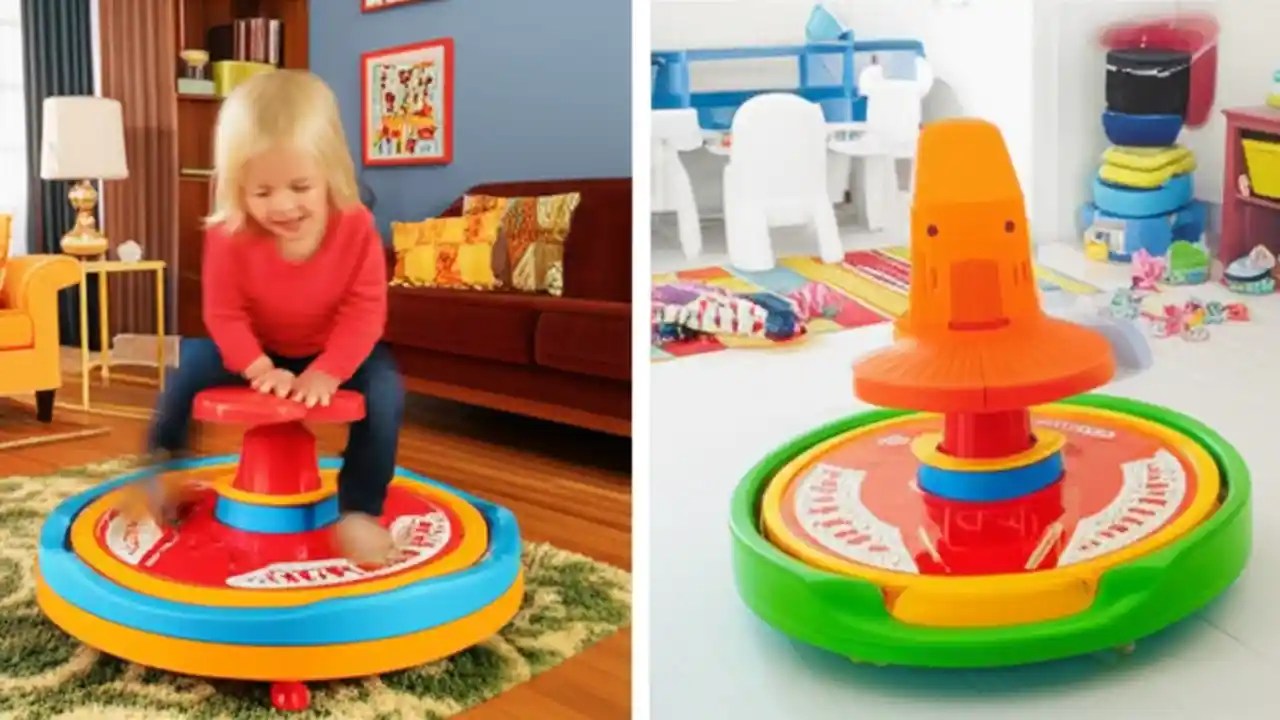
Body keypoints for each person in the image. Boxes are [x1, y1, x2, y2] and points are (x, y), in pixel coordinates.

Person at [147, 70, 405, 566]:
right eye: (261, 192)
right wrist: (257, 366)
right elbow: (224, 312)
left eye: (300, 187)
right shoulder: (227, 233)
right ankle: (164, 466)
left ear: (330, 172)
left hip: (334, 349)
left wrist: (330, 370)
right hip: (255, 349)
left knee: (387, 392)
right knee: (187, 366)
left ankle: (359, 511)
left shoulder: (356, 226)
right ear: (235, 187)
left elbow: (365, 309)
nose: (283, 206)